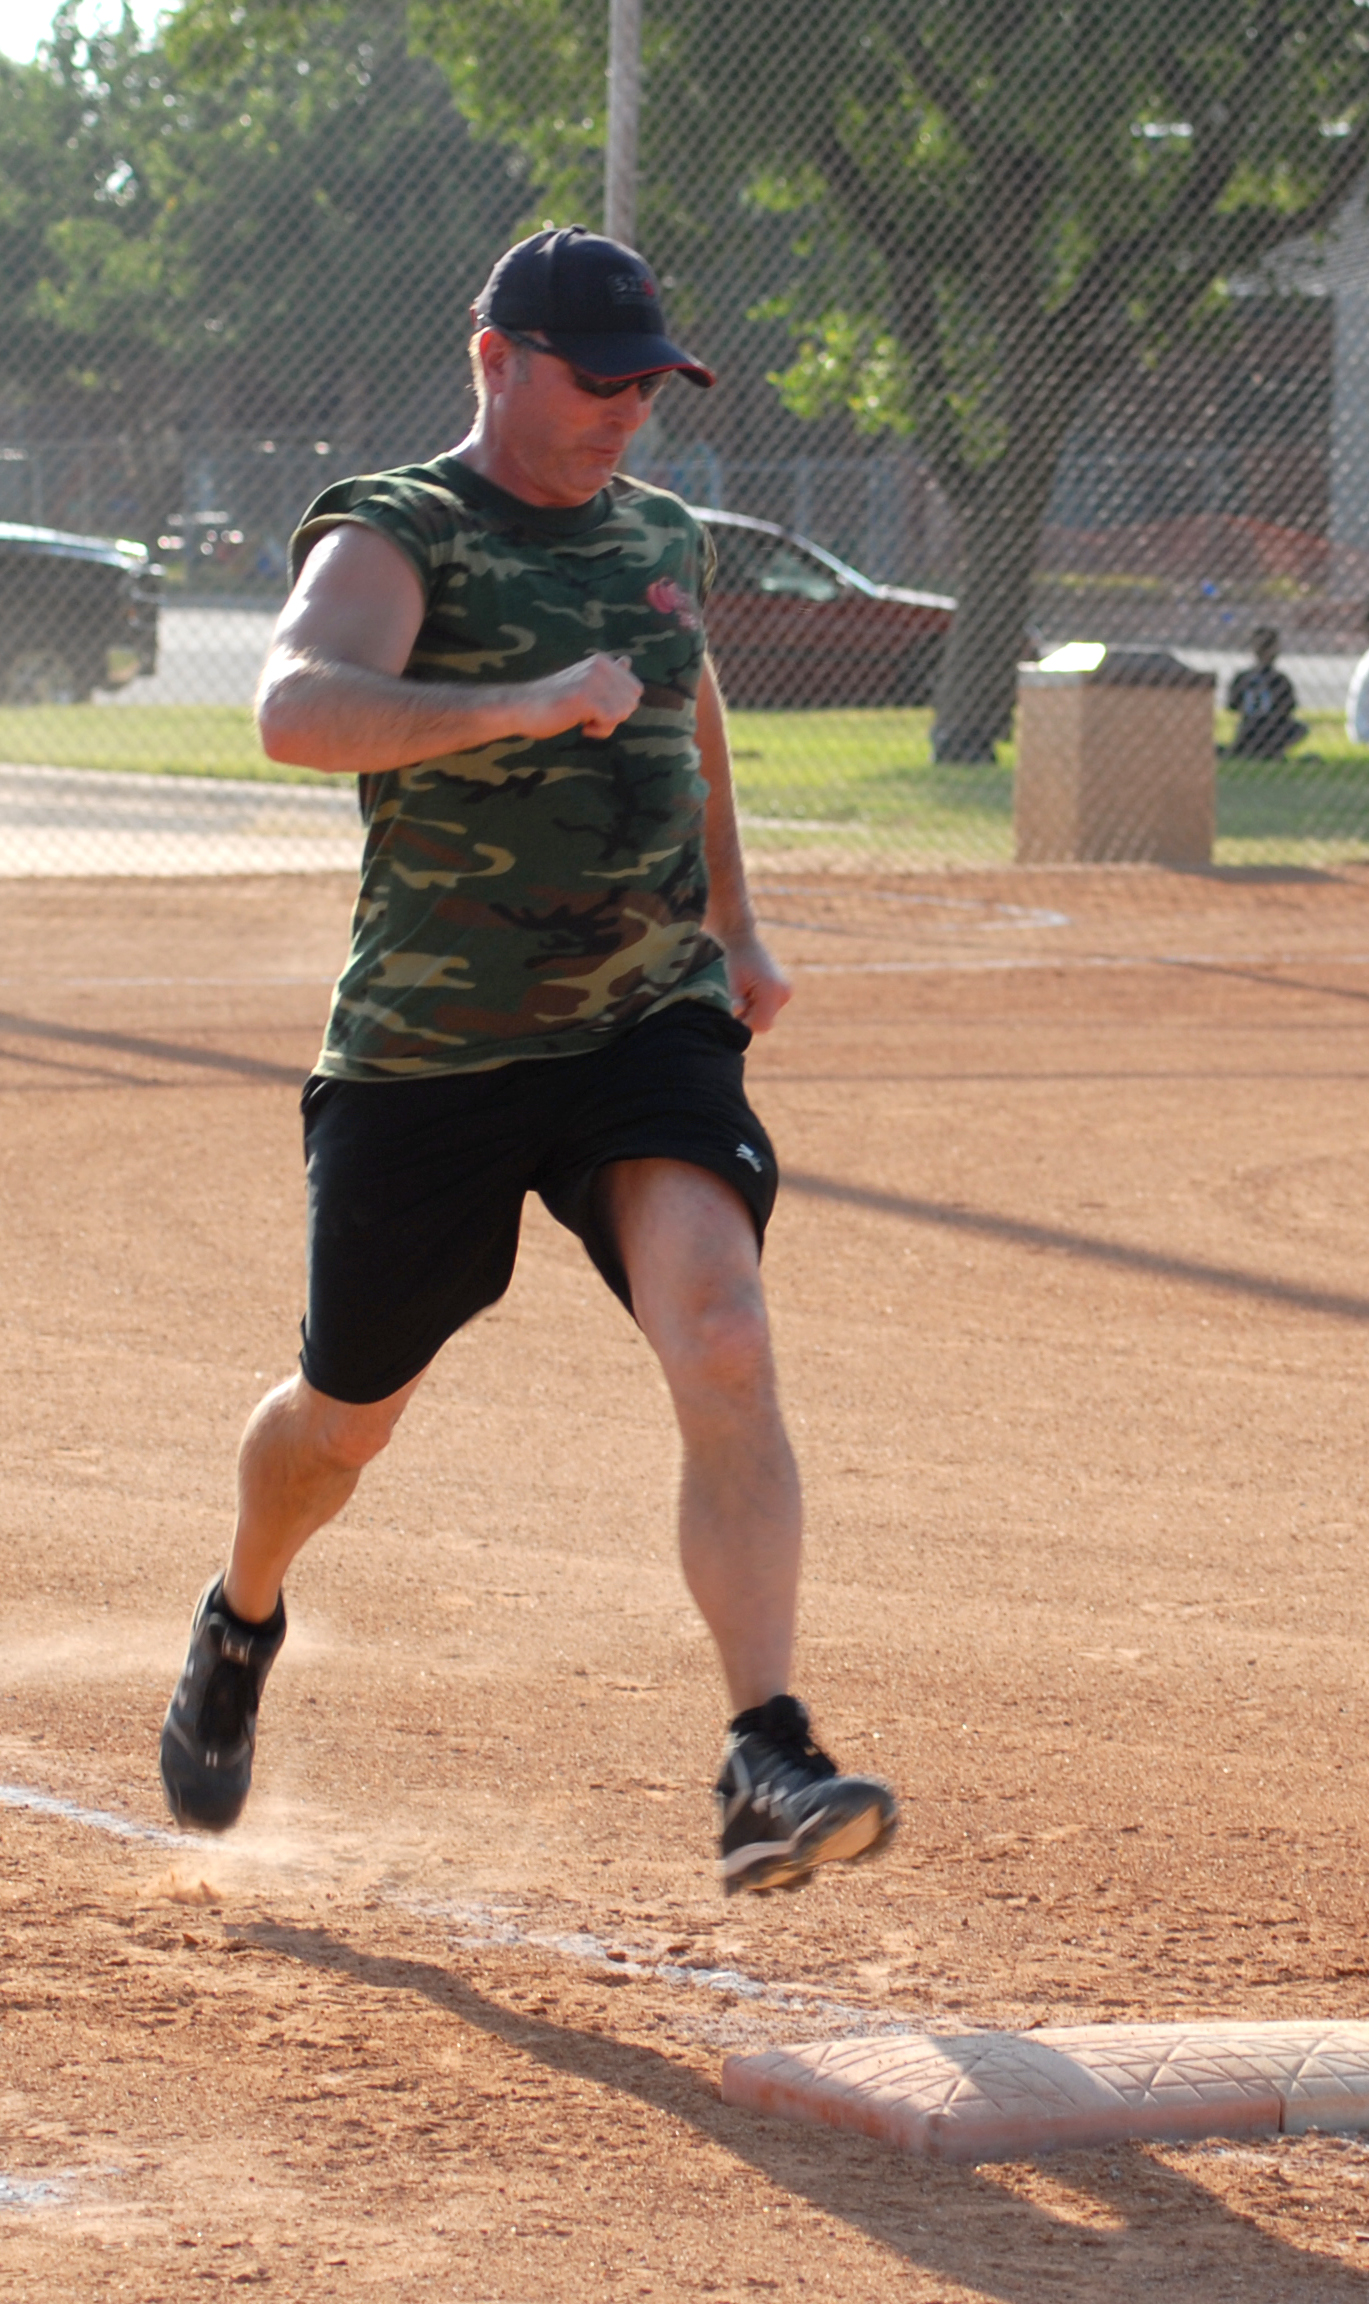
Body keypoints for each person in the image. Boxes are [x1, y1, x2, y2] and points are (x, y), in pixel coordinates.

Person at [153, 226, 899, 1897]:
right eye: (597, 377)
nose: (628, 410)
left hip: (643, 1014)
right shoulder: (399, 527)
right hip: (432, 1051)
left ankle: (761, 1747)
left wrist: (738, 918)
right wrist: (518, 701)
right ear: (495, 358)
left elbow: (682, 707)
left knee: (720, 1325)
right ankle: (243, 1609)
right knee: (343, 1426)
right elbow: (295, 704)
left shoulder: (658, 532)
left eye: (650, 383)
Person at [1222, 625, 1306, 758]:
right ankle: (1271, 750)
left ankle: (1248, 749)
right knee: (1301, 727)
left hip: (1247, 730)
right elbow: (1289, 708)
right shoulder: (1280, 679)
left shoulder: (1242, 677)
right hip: (1273, 731)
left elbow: (1232, 705)